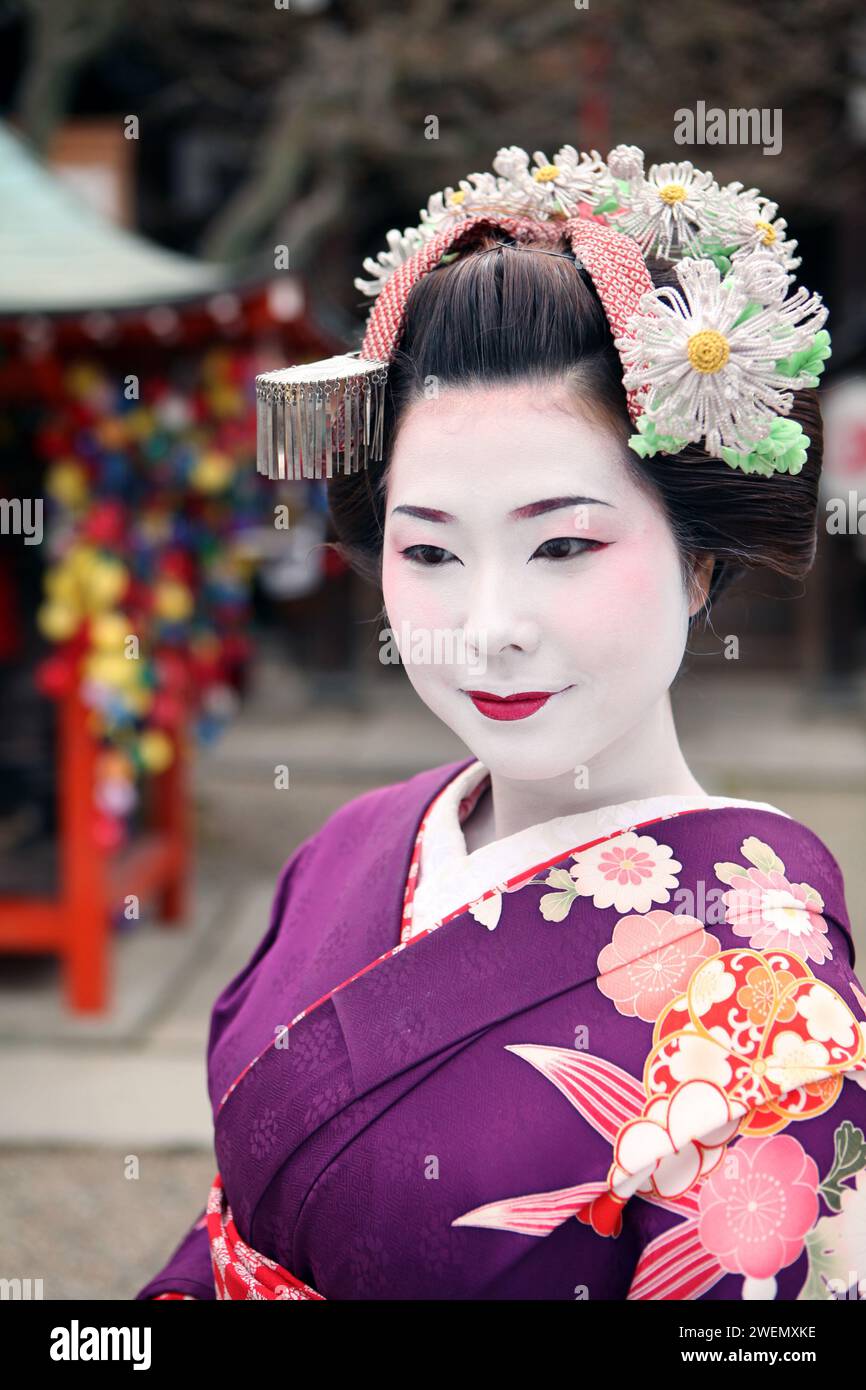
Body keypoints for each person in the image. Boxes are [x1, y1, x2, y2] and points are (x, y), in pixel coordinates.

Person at [136, 144, 866, 1301]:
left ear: (694, 557)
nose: (485, 628)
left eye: (563, 544)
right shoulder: (352, 844)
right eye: (427, 549)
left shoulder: (766, 986)